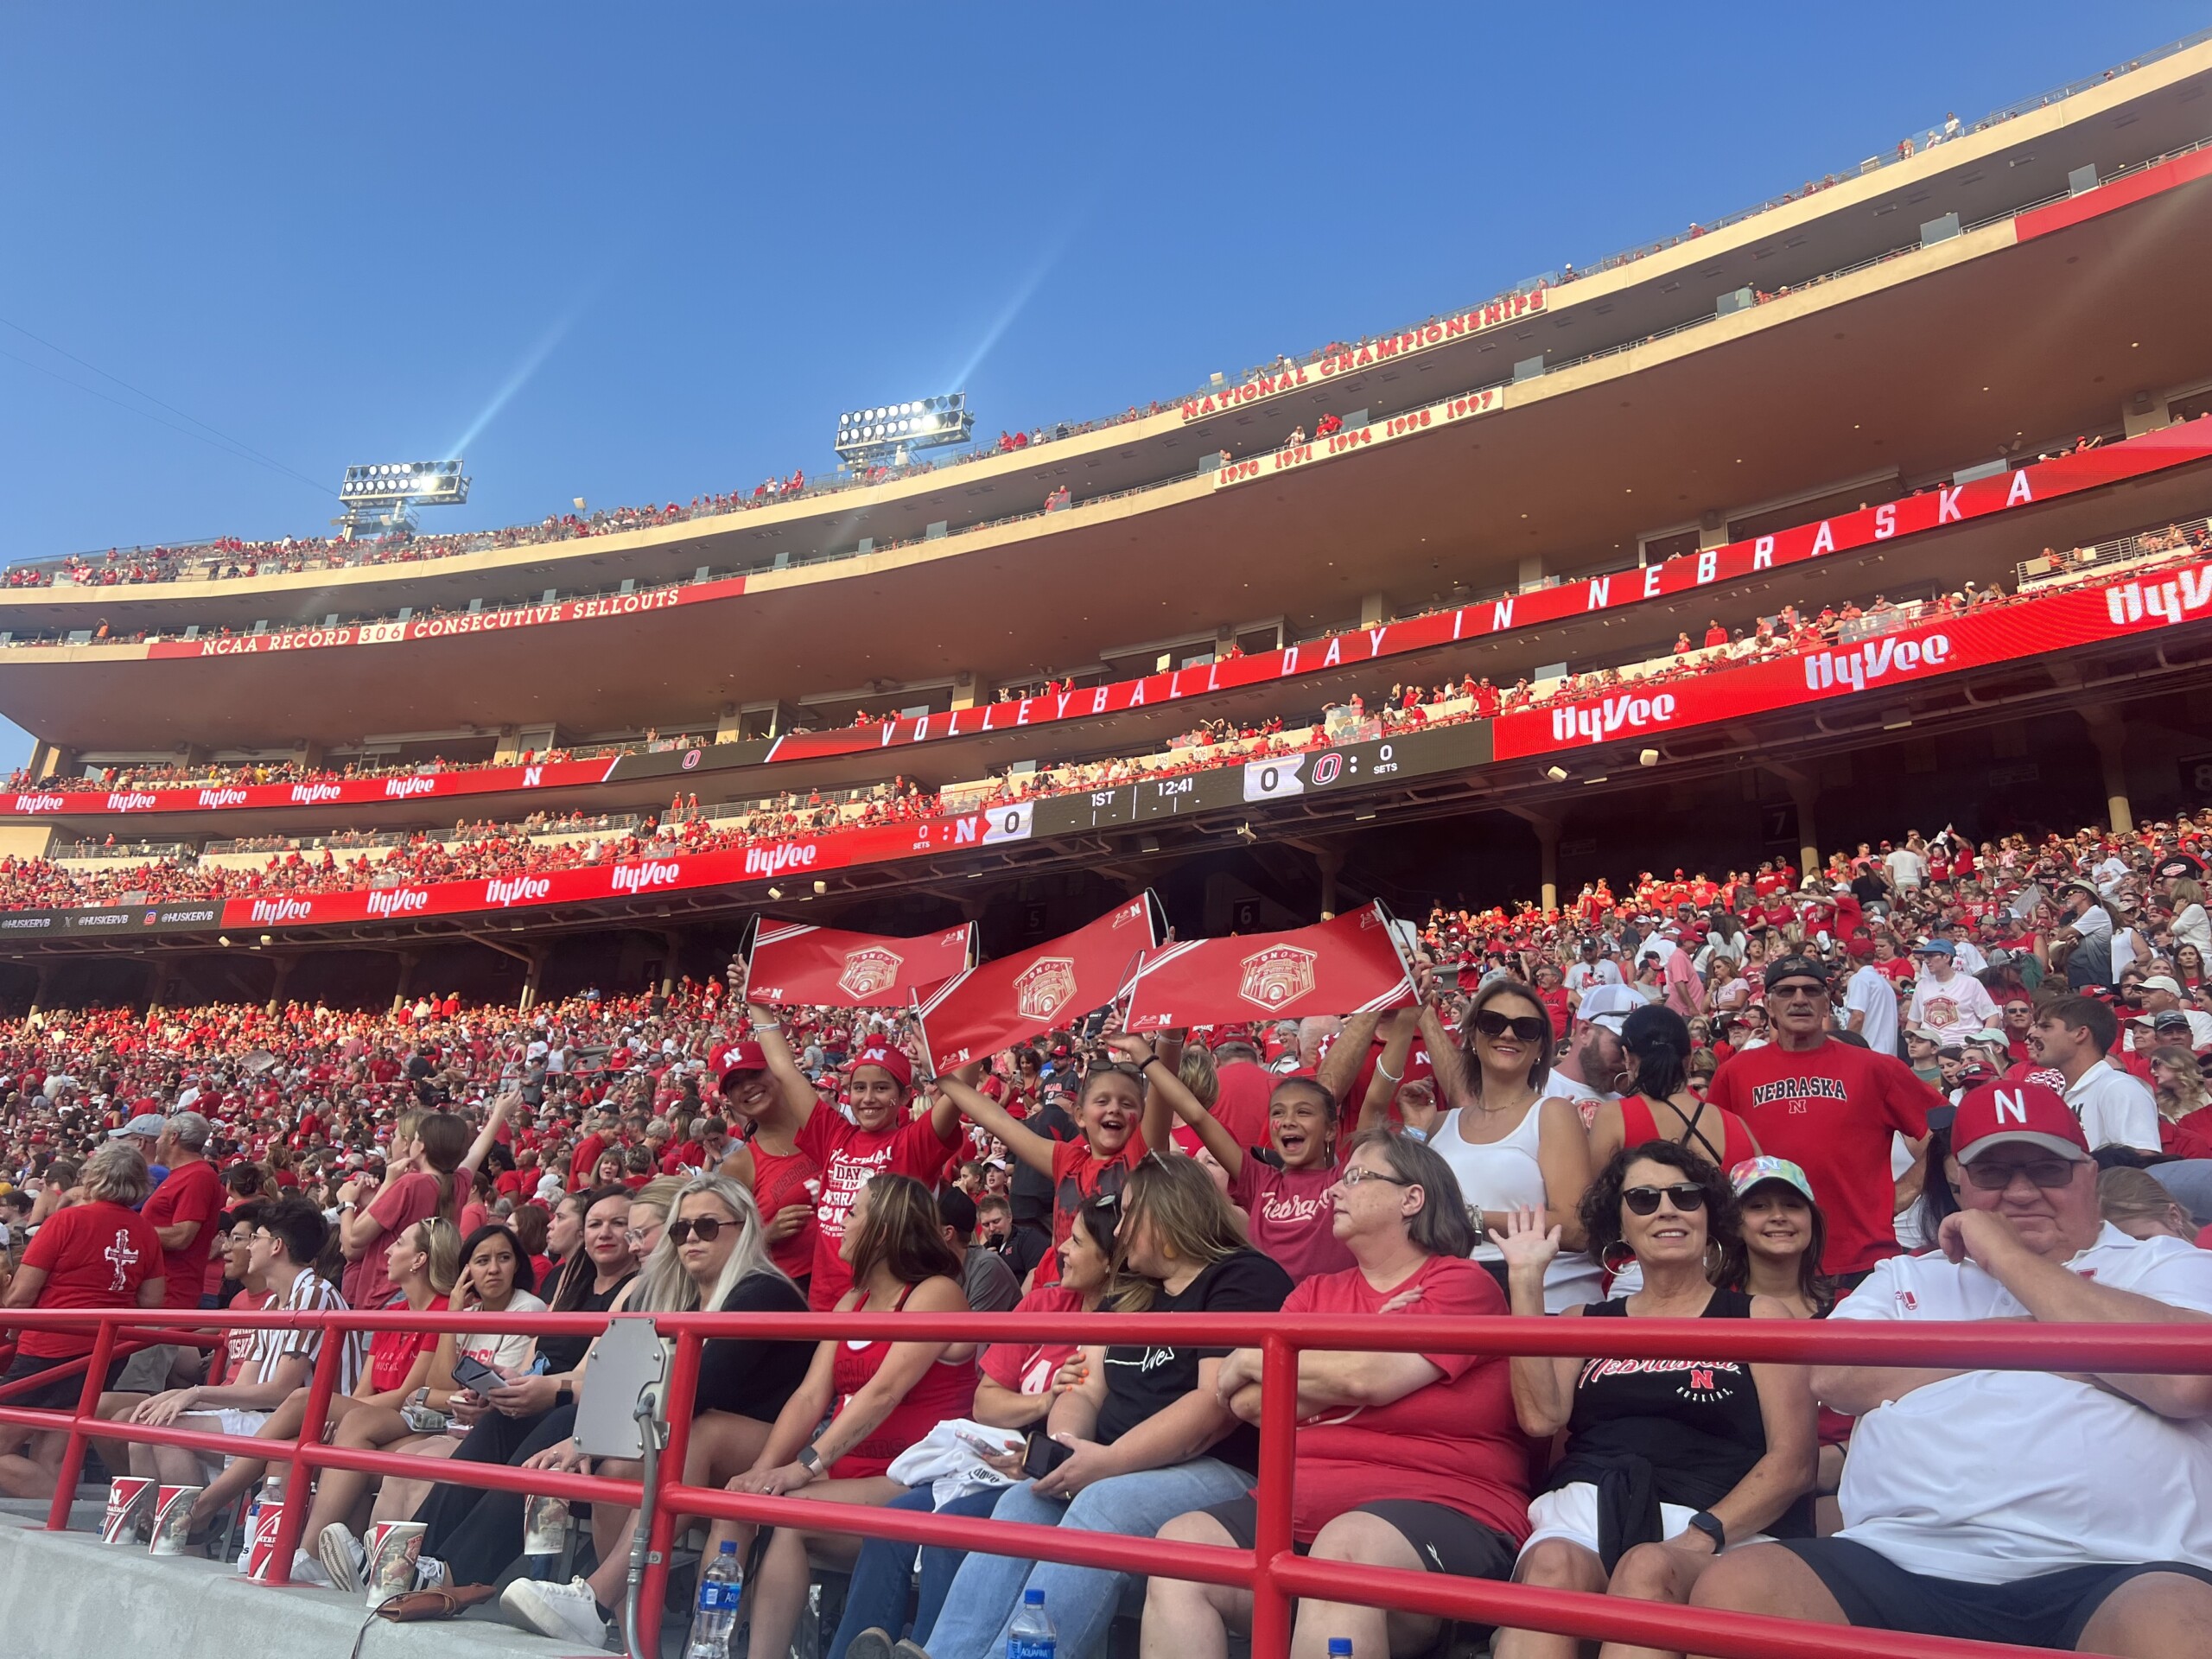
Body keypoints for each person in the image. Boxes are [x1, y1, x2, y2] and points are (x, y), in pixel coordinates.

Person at [1692, 1079, 2212, 1654]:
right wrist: (2064, 1343)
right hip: (1900, 1556)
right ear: (1961, 1182)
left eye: (2046, 1168)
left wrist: (2006, 1258)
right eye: (1994, 1174)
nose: (2020, 1192)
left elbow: (2185, 1379)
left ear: (2088, 1173)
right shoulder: (1908, 1275)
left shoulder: (2162, 1263)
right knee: (1743, 1587)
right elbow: (1836, 1376)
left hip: (2122, 1564)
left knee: (2177, 1622)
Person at [1143, 1133, 1529, 1659]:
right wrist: (1356, 1352)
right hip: (1295, 1514)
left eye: (1356, 1177)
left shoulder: (1461, 1284)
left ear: (1411, 1199)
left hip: (1447, 1511)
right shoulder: (1313, 1295)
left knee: (1343, 1551)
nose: (1333, 1192)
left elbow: (1367, 1379)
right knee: (1180, 1547)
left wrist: (1262, 1358)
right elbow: (1249, 1404)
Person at [913, 1156, 1293, 1659]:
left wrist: (1106, 1465)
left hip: (1223, 1471)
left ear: (1168, 1213)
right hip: (1117, 1466)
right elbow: (1084, 1389)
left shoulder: (1242, 1278)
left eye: (1130, 1213)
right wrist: (1069, 1449)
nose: (1117, 1228)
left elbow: (1213, 1408)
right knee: (1024, 1500)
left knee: (1102, 1505)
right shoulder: (1130, 1293)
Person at [1494, 1144, 1815, 1659]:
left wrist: (1701, 1534)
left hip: (1715, 1522)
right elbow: (1540, 1418)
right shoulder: (1583, 1320)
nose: (1667, 1209)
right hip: (1587, 1514)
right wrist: (1527, 1280)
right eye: (1643, 1198)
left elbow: (1794, 1462)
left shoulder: (1759, 1317)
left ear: (1710, 1215)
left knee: (1647, 1567)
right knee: (1553, 1564)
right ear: (1620, 1222)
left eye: (1686, 1197)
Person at [500, 1174, 815, 1646]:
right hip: (690, 1440)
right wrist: (596, 1438)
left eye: (706, 1227)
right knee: (617, 1469)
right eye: (679, 1229)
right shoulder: (674, 1293)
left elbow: (698, 1390)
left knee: (693, 1432)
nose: (689, 1238)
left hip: (771, 1445)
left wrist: (587, 1435)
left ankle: (595, 1596)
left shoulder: (765, 1291)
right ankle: (628, 1634)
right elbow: (628, 1379)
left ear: (743, 1227)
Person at [830, 1195, 1133, 1658]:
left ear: (1111, 1259)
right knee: (890, 1525)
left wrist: (1038, 1434)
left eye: (1076, 1242)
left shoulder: (1131, 1320)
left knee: (951, 1533)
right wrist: (1046, 1398)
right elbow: (986, 1402)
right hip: (987, 1463)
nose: (1062, 1252)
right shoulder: (1043, 1303)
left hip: (1046, 1478)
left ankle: (931, 1650)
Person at [715, 1174, 976, 1659]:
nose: (841, 1222)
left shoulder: (935, 1293)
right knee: (743, 1499)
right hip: (852, 1471)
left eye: (854, 1212)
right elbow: (809, 1396)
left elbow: (884, 1393)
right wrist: (761, 1470)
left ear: (884, 1227)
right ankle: (705, 1642)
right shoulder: (850, 1301)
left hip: (912, 1479)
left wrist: (802, 1466)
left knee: (791, 1518)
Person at [185, 1216, 459, 1558]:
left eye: (400, 1243)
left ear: (420, 1259)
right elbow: (362, 1392)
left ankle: (209, 1506)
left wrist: (343, 1413)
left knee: (304, 1400)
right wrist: (345, 1412)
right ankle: (276, 1553)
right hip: (380, 1419)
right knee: (291, 1446)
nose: (387, 1250)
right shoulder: (395, 1310)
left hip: (414, 1420)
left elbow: (409, 1395)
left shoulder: (443, 1310)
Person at [410, 1185, 639, 1590]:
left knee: (544, 1433)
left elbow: (599, 1378)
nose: (604, 1233)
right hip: (548, 1397)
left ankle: (455, 1575)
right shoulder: (564, 1284)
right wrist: (505, 1387)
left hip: (586, 1408)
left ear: (637, 1232)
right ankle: (411, 1556)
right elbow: (536, 1355)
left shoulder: (637, 1290)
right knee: (494, 1425)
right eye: (595, 1224)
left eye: (618, 1224)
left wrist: (543, 1391)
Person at [1705, 956, 1938, 1283]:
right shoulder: (1734, 1073)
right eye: (1786, 992)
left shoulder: (1876, 1068)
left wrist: (1908, 1188)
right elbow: (1712, 1158)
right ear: (1768, 1006)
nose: (1800, 1000)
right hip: (1764, 1261)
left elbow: (1951, 1130)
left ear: (1827, 1004)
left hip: (1860, 1258)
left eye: (1811, 991)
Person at [124, 1195, 358, 1514]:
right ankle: (156, 1532)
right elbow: (244, 1389)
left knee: (165, 1432)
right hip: (266, 1415)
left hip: (305, 1423)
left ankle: (190, 1529)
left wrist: (194, 1394)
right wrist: (176, 1396)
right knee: (142, 1425)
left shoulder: (314, 1294)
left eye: (255, 1239)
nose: (247, 1247)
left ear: (276, 1246)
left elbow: (280, 1393)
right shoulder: (273, 1303)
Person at [0, 1142, 165, 1498]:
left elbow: (22, 1294)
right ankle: (59, 1518)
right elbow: (152, 1302)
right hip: (104, 1353)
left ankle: (64, 1506)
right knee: (53, 1454)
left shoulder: (66, 1221)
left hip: (48, 1347)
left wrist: (13, 1323)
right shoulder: (146, 1232)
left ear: (93, 1178)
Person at [937, 1039, 1172, 1283]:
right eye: (1102, 1101)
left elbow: (1164, 1087)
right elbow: (995, 1119)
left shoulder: (1141, 1155)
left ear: (1142, 1117)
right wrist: (938, 1075)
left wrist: (1169, 1035)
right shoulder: (1067, 1160)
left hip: (1113, 1300)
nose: (1114, 1109)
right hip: (1056, 1290)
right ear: (1079, 1115)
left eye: (1127, 1103)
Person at [1427, 978, 1597, 1307]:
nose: (1508, 1034)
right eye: (1493, 1023)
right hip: (1451, 1297)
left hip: (1539, 1299)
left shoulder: (1552, 1113)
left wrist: (1468, 1219)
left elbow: (1576, 1229)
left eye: (1526, 1028)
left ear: (1539, 1048)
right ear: (1473, 1036)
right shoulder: (1438, 1123)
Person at [1157, 1053, 1355, 1281]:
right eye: (1278, 1112)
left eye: (1303, 1112)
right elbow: (1197, 1116)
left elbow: (1376, 1102)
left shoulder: (1346, 1180)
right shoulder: (1259, 1179)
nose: (1288, 1121)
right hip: (1266, 1312)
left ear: (1331, 1130)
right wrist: (1143, 1055)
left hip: (1325, 1313)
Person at [1587, 1005, 1757, 1176]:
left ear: (1627, 1056)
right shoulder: (1737, 1125)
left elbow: (1595, 1197)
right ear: (1690, 1056)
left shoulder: (1614, 1118)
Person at [714, 1032, 822, 1294]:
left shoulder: (824, 1127)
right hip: (791, 1291)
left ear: (776, 1071)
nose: (747, 1087)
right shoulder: (739, 1165)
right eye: (735, 1084)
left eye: (754, 1074)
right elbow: (718, 1245)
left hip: (853, 1279)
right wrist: (767, 1234)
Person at [2027, 995, 2161, 1153]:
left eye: (2046, 1027)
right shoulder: (2062, 1096)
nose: (2034, 1035)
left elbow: (2141, 1161)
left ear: (2080, 1034)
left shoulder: (2119, 1089)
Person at [939, 1184, 1020, 1313]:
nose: (922, 1233)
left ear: (947, 1233)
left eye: (929, 1226)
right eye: (986, 1224)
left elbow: (968, 1330)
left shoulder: (987, 1266)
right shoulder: (937, 1267)